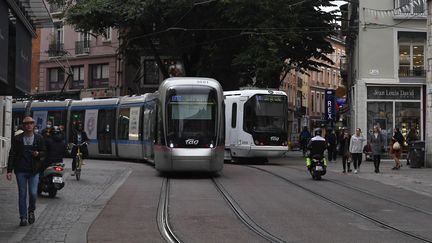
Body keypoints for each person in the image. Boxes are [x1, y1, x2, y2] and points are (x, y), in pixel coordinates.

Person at [6, 116, 46, 226]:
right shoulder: (17, 138)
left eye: (31, 123)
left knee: (33, 193)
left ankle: (31, 210)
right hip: (21, 171)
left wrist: (38, 154)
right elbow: (12, 154)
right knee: (22, 194)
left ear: (34, 125)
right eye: (26, 123)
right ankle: (23, 217)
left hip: (34, 171)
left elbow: (44, 152)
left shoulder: (39, 138)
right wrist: (9, 170)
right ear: (23, 126)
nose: (29, 125)